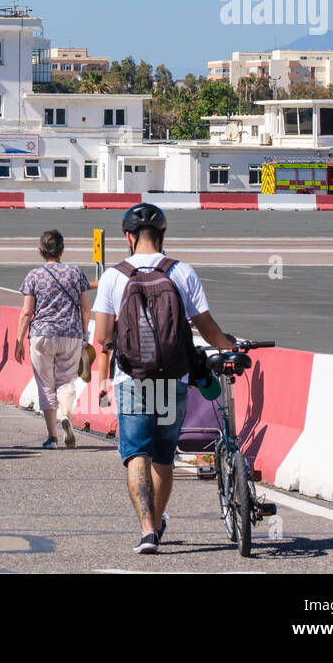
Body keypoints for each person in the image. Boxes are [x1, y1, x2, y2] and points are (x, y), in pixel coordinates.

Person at [91, 203, 237, 555]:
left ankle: (145, 531)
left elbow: (101, 335)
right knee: (163, 456)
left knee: (135, 453)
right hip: (174, 378)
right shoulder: (182, 272)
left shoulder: (114, 275)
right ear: (163, 236)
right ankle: (157, 524)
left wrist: (109, 364)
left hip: (131, 379)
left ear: (128, 237)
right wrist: (228, 345)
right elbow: (206, 327)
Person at [14, 229, 92, 449]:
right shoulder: (76, 272)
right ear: (62, 250)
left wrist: (19, 340)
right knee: (67, 381)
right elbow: (85, 308)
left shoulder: (33, 276)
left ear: (40, 252)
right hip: (71, 334)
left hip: (42, 335)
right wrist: (84, 333)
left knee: (46, 386)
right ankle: (66, 414)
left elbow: (27, 312)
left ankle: (52, 437)